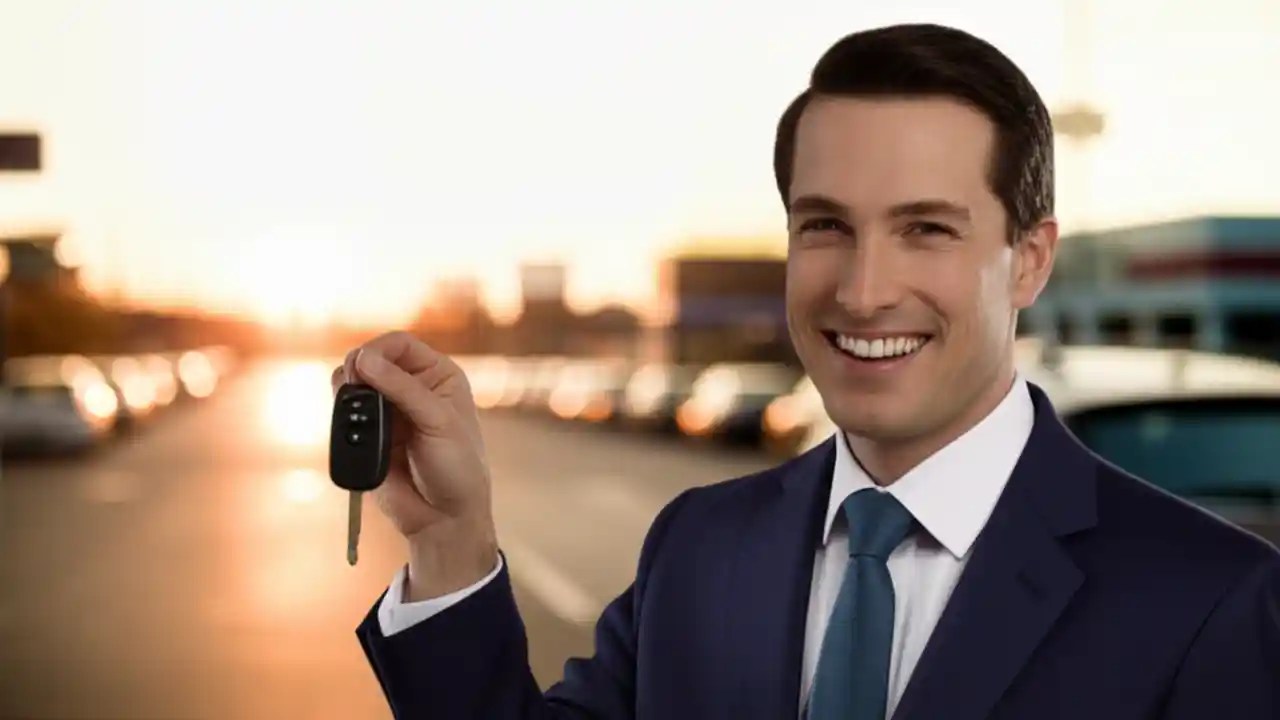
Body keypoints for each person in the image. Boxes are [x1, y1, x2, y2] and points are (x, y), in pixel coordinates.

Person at [337, 23, 1280, 720]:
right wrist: (451, 538)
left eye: (926, 230)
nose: (864, 292)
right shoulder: (698, 548)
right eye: (825, 226)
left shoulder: (1210, 599)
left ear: (1029, 260)